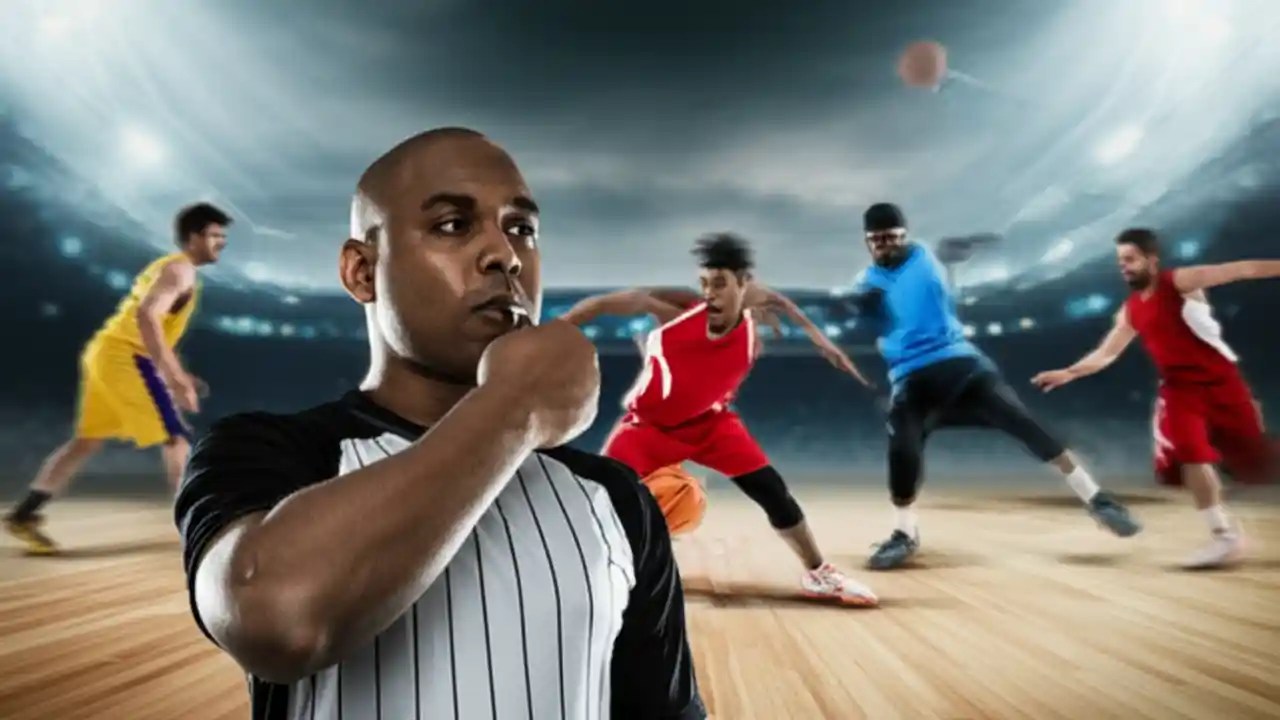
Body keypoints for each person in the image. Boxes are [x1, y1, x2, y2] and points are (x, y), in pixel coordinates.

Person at [174, 128, 706, 720]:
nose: (504, 254)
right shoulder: (270, 452)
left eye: (521, 229)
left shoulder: (615, 498)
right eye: (453, 225)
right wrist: (514, 405)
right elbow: (276, 620)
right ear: (360, 271)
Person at [561, 233, 880, 607]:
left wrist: (821, 341)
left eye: (720, 284)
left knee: (772, 490)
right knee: (602, 499)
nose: (710, 294)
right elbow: (603, 303)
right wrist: (554, 329)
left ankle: (819, 573)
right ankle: (579, 571)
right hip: (648, 427)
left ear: (743, 284)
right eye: (705, 284)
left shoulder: (754, 301)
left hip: (712, 424)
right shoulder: (678, 315)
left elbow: (781, 301)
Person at [848, 203, 1140, 571]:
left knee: (1027, 426)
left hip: (961, 366)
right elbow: (868, 325)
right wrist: (863, 312)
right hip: (911, 380)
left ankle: (1098, 500)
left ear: (905, 237)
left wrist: (962, 248)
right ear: (867, 241)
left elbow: (935, 267)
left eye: (892, 238)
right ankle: (905, 534)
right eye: (876, 240)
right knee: (902, 449)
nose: (884, 246)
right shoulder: (865, 282)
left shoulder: (922, 259)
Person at [1033, 228, 1279, 568]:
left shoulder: (1180, 281)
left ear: (1152, 259)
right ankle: (1224, 536)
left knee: (1258, 460)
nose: (1124, 266)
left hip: (1223, 382)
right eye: (1120, 261)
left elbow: (1244, 269)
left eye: (1131, 259)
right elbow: (1107, 353)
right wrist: (1070, 372)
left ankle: (1231, 522)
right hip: (1179, 389)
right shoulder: (1131, 309)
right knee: (1190, 453)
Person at [4, 203, 229, 555]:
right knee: (176, 438)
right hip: (126, 357)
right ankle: (199, 527)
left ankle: (24, 513)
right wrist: (175, 377)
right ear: (194, 237)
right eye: (215, 235)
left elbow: (153, 327)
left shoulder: (170, 268)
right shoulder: (180, 271)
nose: (221, 242)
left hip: (106, 352)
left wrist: (177, 372)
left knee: (87, 441)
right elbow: (147, 317)